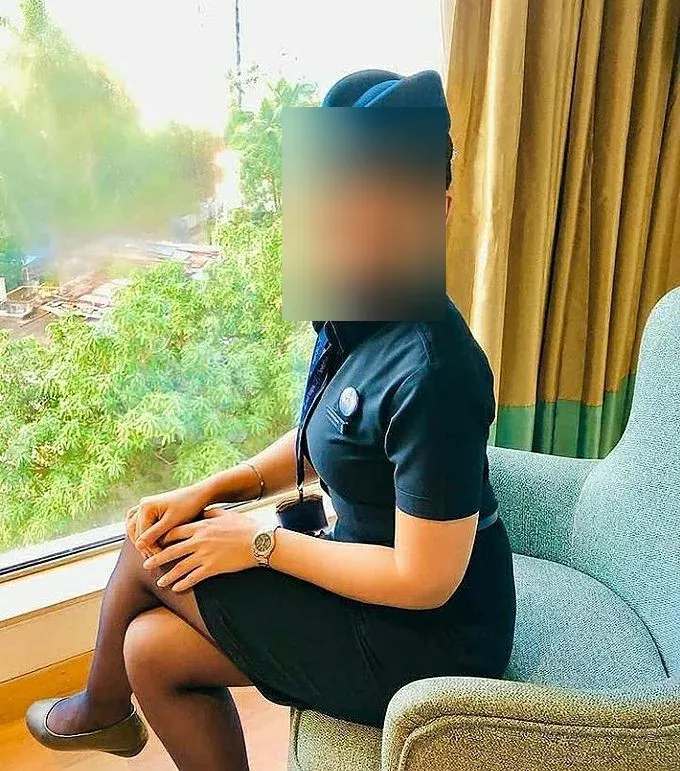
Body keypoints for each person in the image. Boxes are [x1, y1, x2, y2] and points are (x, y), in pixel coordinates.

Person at [25, 70, 516, 771]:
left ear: (437, 209)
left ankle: (97, 713)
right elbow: (328, 439)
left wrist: (259, 542)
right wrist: (217, 487)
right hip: (361, 576)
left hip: (430, 640)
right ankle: (104, 709)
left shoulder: (436, 371)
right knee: (150, 649)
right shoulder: (360, 312)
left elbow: (424, 579)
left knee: (148, 552)